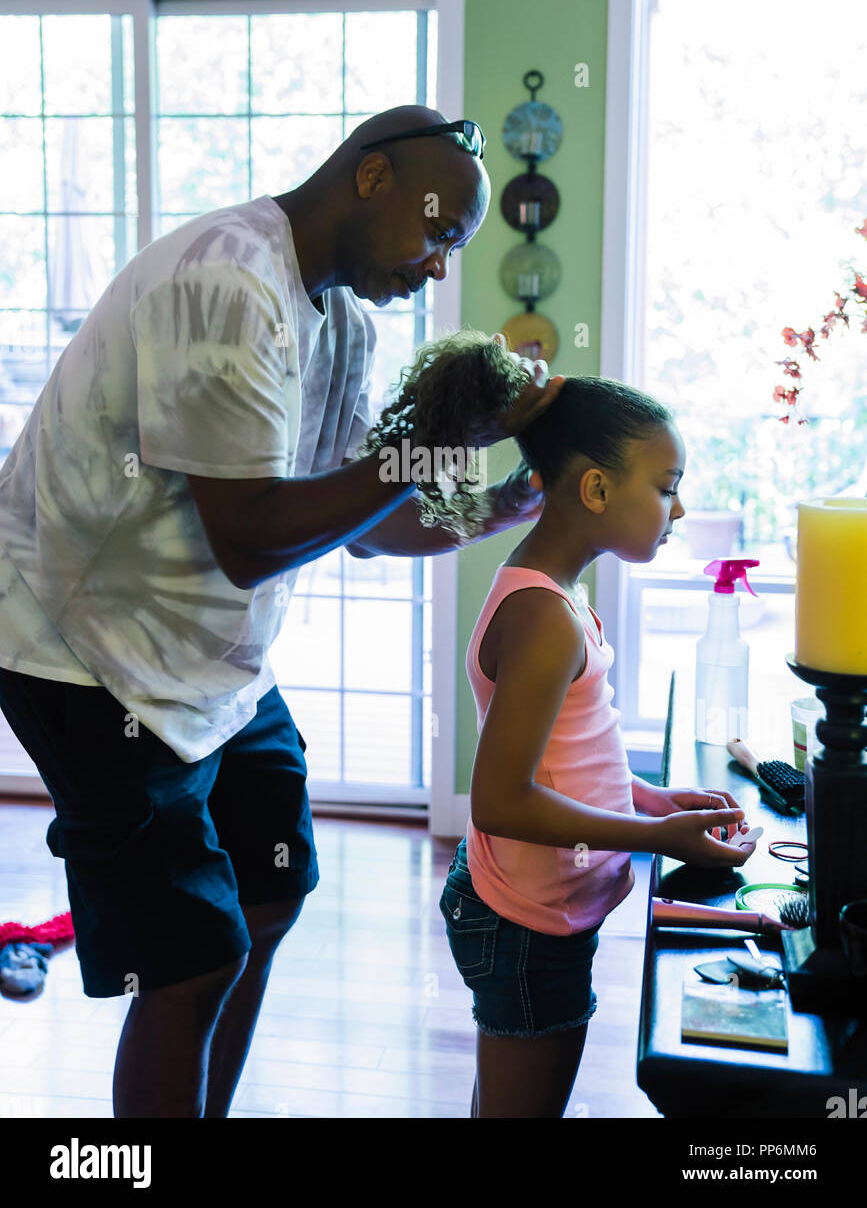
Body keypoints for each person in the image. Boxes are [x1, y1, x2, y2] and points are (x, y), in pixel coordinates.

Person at [0, 104, 564, 1118]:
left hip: (204, 658)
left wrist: (501, 500)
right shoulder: (226, 282)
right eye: (441, 232)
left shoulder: (345, 320)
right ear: (371, 177)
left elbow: (355, 514)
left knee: (272, 881)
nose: (443, 265)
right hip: (78, 652)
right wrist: (425, 441)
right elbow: (253, 535)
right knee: (188, 962)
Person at [357, 328, 758, 1119]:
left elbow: (565, 759)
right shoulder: (544, 617)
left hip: (534, 911)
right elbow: (501, 802)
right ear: (598, 491)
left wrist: (651, 799)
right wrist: (657, 843)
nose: (678, 507)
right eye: (666, 485)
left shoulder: (558, 595)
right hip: (524, 928)